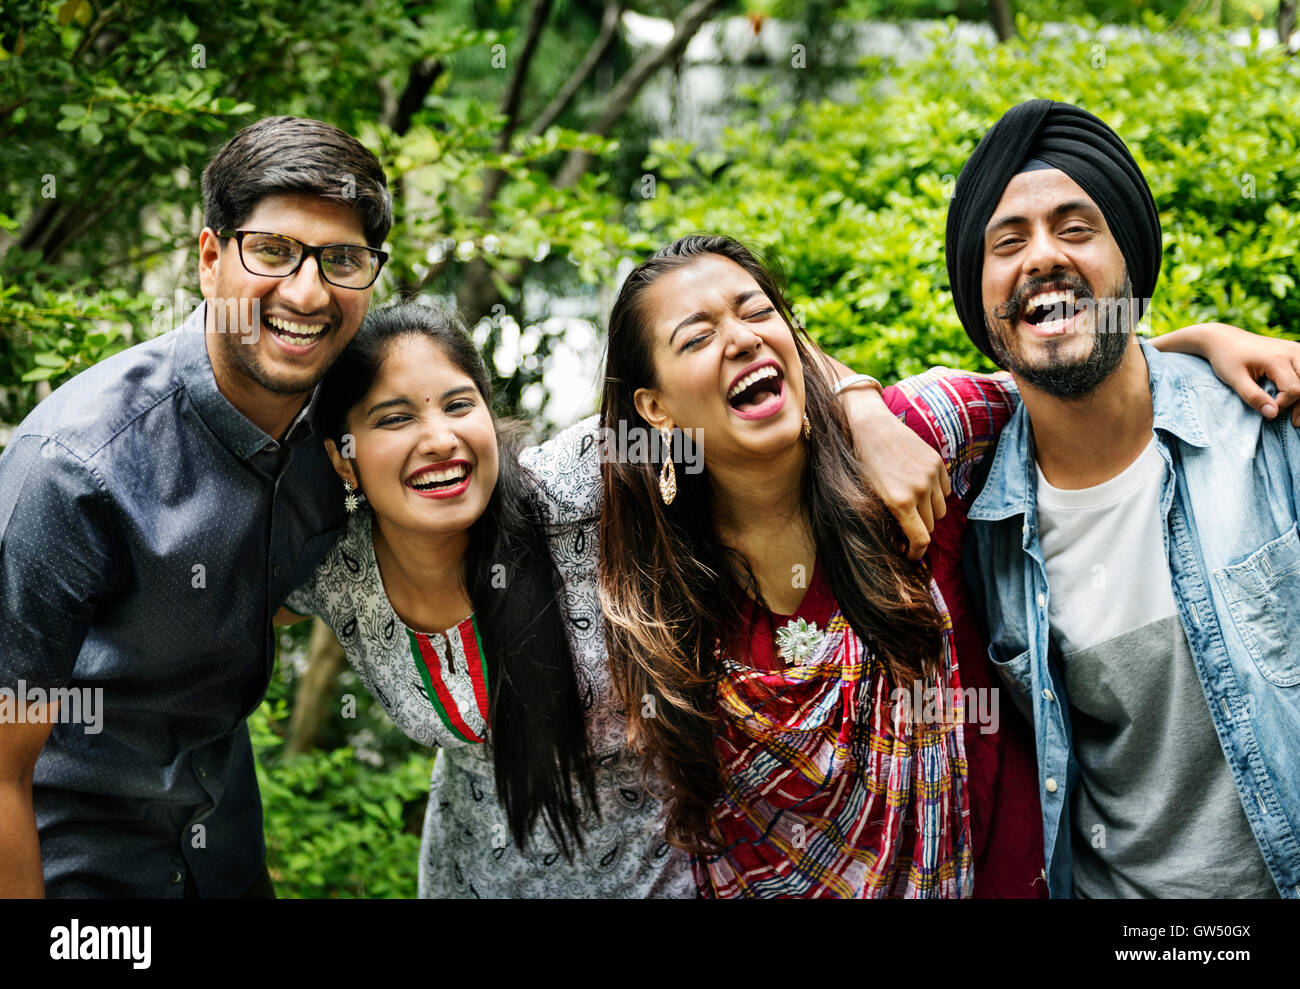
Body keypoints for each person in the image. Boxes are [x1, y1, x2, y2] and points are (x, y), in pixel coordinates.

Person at [590, 233, 1300, 898]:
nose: (743, 338)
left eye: (758, 312)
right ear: (653, 407)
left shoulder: (920, 440)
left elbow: (1077, 381)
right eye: (700, 336)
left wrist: (1206, 345)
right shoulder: (661, 599)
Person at [0, 116, 391, 897]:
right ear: (211, 260)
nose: (308, 292)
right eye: (273, 251)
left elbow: (274, 591)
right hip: (84, 873)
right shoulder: (78, 465)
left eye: (342, 259)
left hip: (229, 857)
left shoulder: (346, 428)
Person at [946, 99, 1300, 898]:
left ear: (1128, 264)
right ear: (981, 302)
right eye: (1008, 241)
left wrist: (1201, 340)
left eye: (1077, 229)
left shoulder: (1270, 428)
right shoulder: (980, 525)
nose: (1042, 257)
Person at [274, 301, 695, 897]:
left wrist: (865, 404)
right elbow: (214, 602)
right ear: (344, 458)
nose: (441, 439)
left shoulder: (573, 487)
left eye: (458, 405)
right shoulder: (336, 573)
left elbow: (711, 402)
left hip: (662, 877)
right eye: (394, 419)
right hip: (467, 879)